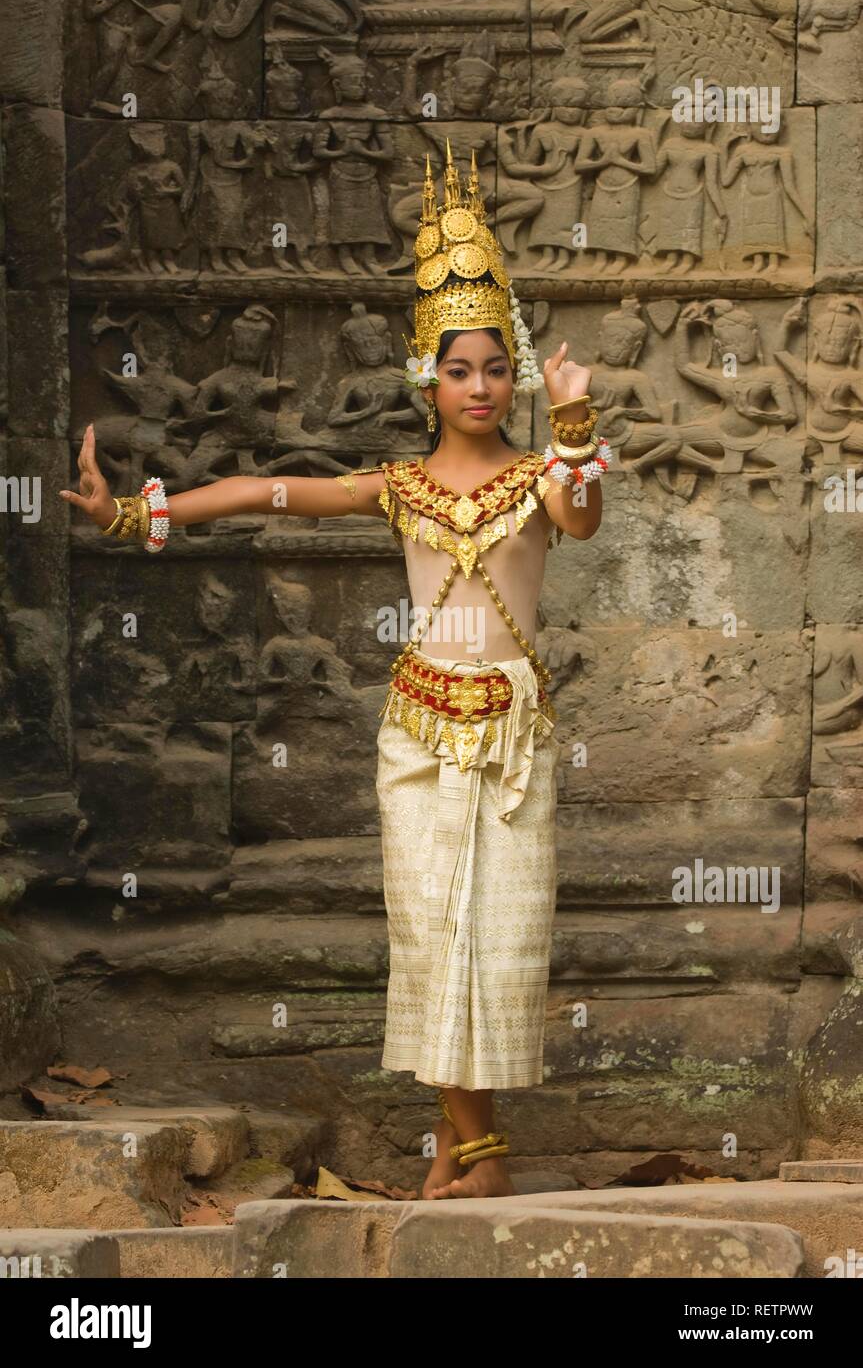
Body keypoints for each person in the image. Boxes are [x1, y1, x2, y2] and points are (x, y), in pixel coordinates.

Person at [60, 144, 610, 1200]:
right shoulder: (397, 483)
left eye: (498, 367)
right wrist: (136, 512)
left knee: (494, 936)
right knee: (427, 930)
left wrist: (577, 422)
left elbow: (580, 520)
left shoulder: (544, 473)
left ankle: (469, 1148)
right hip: (416, 727)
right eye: (459, 368)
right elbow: (273, 489)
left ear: (517, 377)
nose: (481, 386)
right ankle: (466, 1150)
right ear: (425, 378)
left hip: (506, 731)